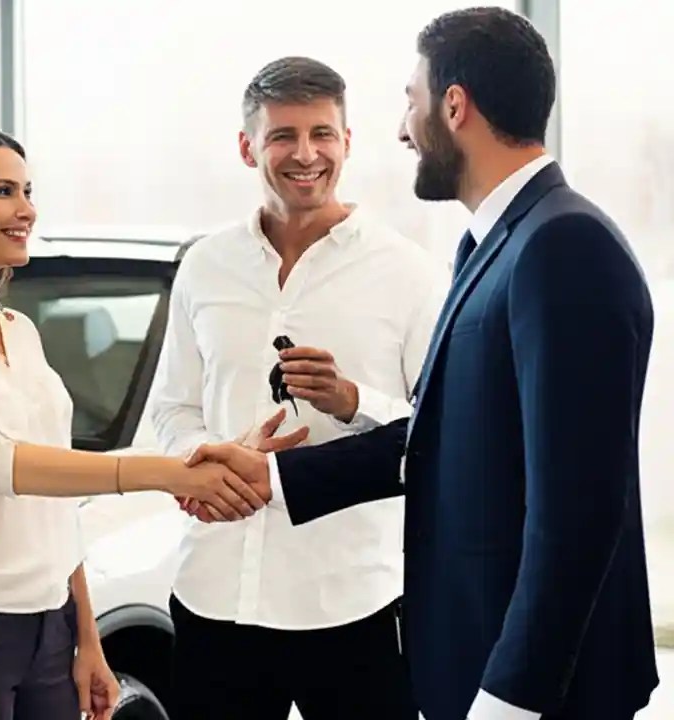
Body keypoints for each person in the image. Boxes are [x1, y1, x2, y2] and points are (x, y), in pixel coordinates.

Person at [186, 8, 660, 720]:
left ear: (454, 106)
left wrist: (510, 698)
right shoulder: (499, 247)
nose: (403, 130)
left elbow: (579, 513)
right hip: (476, 660)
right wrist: (274, 477)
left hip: (536, 689)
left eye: (411, 102)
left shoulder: (562, 248)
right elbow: (443, 442)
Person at [0, 127, 285, 720]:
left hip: (48, 626)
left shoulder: (19, 330)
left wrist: (85, 638)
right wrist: (171, 474)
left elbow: (54, 510)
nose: (25, 209)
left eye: (27, 191)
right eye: (2, 191)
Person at [148, 56, 447, 720]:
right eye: (283, 134)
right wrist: (211, 464)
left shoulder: (408, 273)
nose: (305, 153)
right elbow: (173, 405)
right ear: (248, 146)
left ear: (347, 142)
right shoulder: (205, 266)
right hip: (214, 596)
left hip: (350, 603)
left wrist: (353, 400)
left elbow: (443, 430)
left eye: (322, 133)